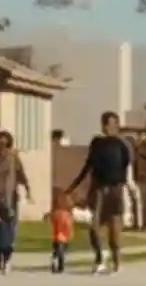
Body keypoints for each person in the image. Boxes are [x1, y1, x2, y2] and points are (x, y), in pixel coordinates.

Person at [67, 111, 131, 275]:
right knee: (94, 226)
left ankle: (117, 261)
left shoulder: (122, 145)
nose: (108, 127)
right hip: (99, 190)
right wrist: (74, 185)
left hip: (116, 190)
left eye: (111, 123)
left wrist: (130, 189)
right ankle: (99, 258)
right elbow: (88, 166)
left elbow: (127, 169)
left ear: (117, 125)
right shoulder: (97, 143)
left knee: (115, 232)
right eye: (105, 123)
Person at [0, 130, 32, 275]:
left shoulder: (13, 159)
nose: (1, 146)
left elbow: (21, 175)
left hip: (10, 198)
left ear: (9, 144)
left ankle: (7, 259)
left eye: (4, 143)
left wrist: (28, 189)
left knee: (9, 230)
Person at [46, 188, 74, 274]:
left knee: (56, 251)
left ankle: (55, 262)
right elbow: (68, 225)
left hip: (56, 237)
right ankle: (60, 266)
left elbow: (51, 220)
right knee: (61, 253)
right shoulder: (66, 214)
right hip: (63, 237)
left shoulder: (56, 213)